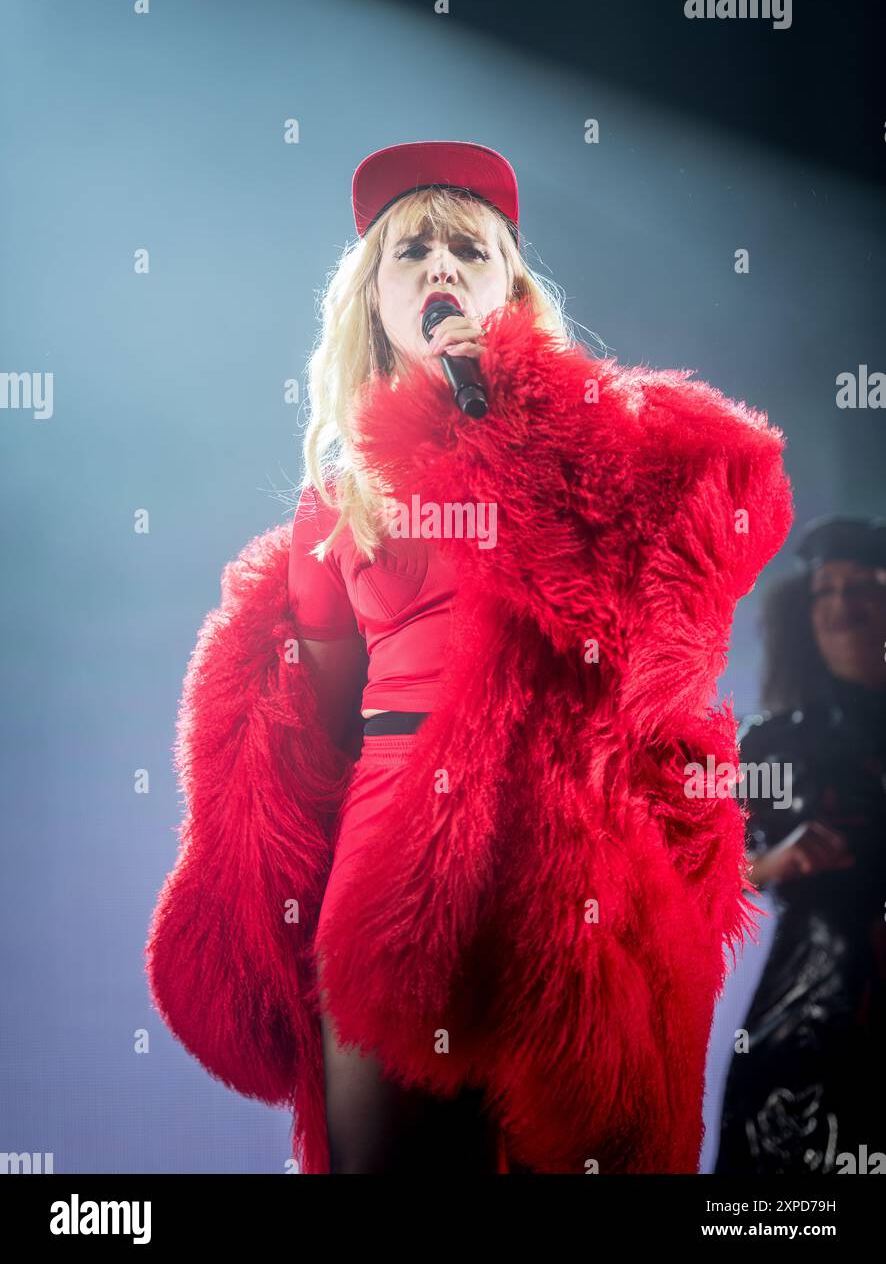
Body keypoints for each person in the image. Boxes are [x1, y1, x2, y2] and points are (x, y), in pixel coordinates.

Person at [145, 139, 794, 1174]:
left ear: (512, 290)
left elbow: (665, 595)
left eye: (468, 249)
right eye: (411, 251)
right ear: (371, 299)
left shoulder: (603, 437)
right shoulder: (338, 498)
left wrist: (511, 416)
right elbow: (315, 730)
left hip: (570, 859)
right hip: (389, 860)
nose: (440, 267)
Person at [715, 515, 886, 1174]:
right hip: (805, 1009)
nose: (841, 606)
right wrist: (776, 860)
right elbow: (698, 872)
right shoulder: (771, 742)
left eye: (863, 586)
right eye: (825, 591)